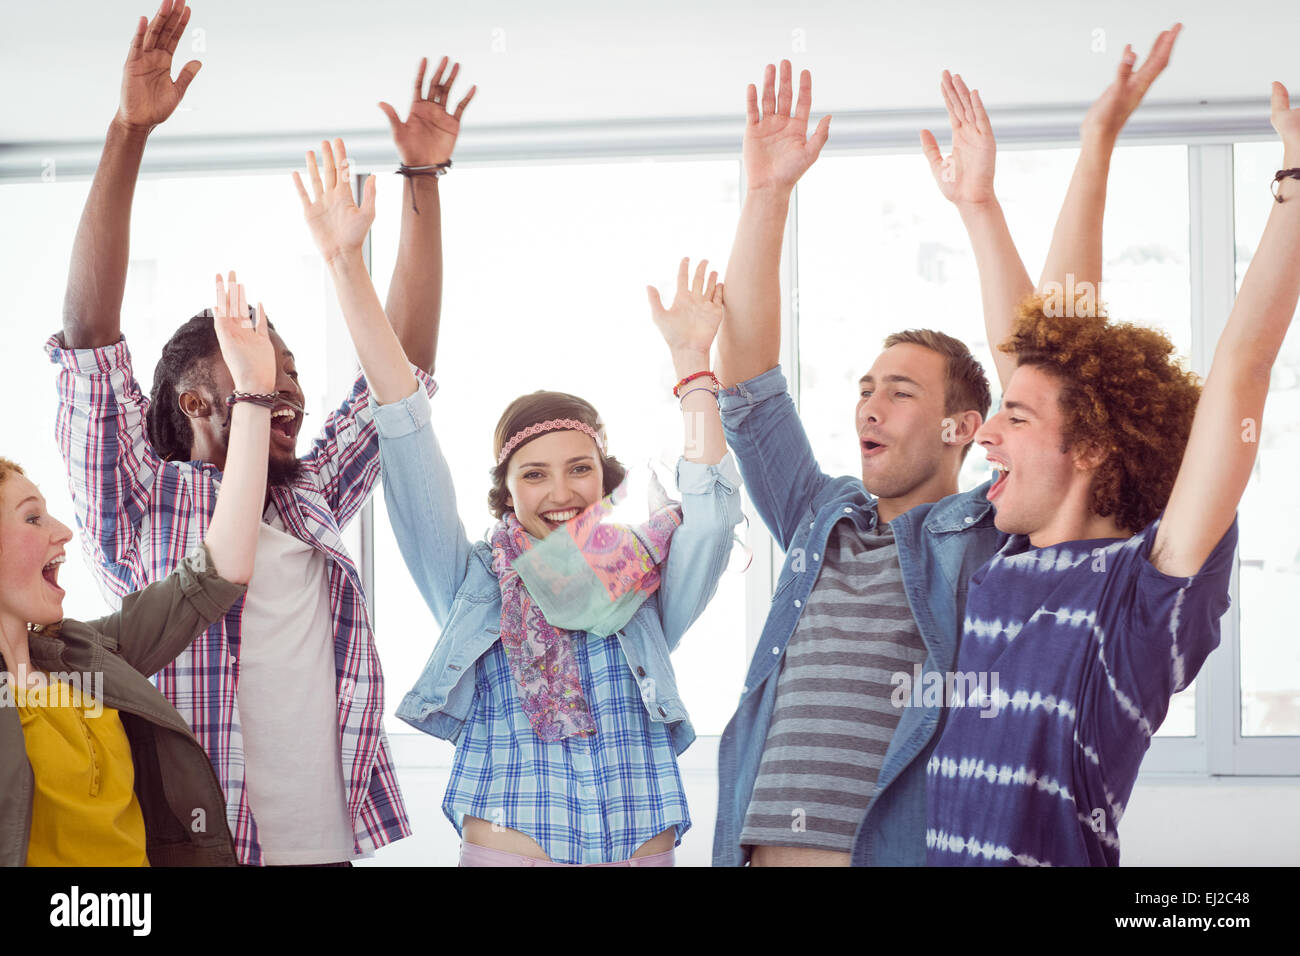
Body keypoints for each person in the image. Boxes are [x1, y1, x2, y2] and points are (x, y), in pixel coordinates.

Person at [47, 0, 469, 864]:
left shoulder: (310, 491)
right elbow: (90, 342)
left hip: (321, 845)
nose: (291, 394)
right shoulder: (137, 501)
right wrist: (128, 132)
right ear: (200, 403)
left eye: (291, 381)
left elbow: (404, 370)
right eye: (261, 376)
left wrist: (422, 181)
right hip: (193, 843)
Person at [292, 137, 744, 864]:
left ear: (606, 475)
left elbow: (715, 512)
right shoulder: (473, 583)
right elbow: (404, 431)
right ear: (506, 492)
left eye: (579, 469)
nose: (561, 492)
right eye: (534, 475)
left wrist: (693, 370)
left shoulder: (645, 579)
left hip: (641, 844)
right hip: (515, 844)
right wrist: (347, 267)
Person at [924, 27, 1300, 866]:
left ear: (1092, 448)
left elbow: (1242, 368)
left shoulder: (1137, 596)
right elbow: (1052, 340)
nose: (984, 431)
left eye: (1013, 420)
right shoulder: (1002, 560)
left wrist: (1296, 184)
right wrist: (1083, 149)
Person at [712, 61, 1004, 867]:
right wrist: (767, 194)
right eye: (866, 387)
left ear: (963, 427)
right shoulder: (821, 514)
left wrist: (977, 206)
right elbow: (745, 384)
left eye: (900, 392)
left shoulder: (986, 534)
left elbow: (1055, 396)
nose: (868, 405)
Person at [3, 274, 271, 866]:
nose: (63, 532)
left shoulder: (85, 653)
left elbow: (217, 572)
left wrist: (253, 393)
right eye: (31, 519)